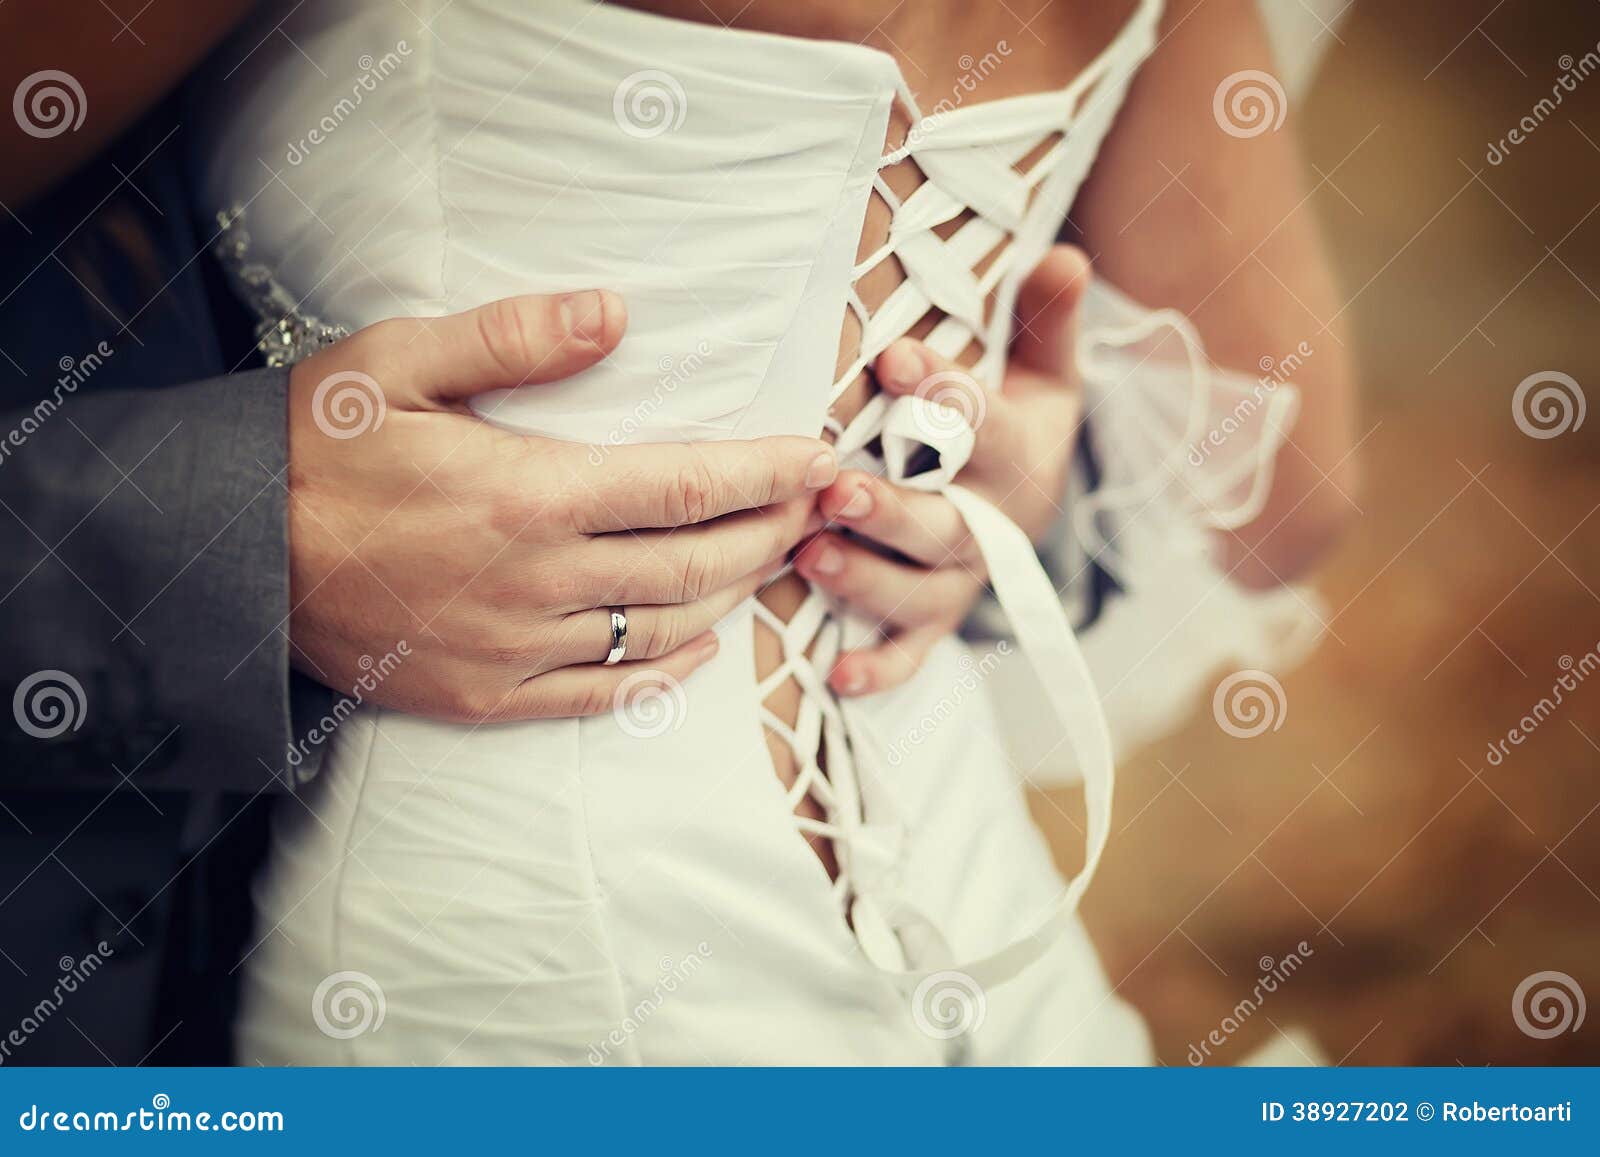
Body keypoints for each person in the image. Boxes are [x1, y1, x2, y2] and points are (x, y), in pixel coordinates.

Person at [185, 0, 1353, 1065]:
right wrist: (1031, 445)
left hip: (503, 965)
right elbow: (1283, 496)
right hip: (980, 930)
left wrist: (218, 500)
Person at [0, 6, 843, 1064]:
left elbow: (1091, 425)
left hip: (961, 879)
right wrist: (237, 531)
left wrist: (988, 463)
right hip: (511, 965)